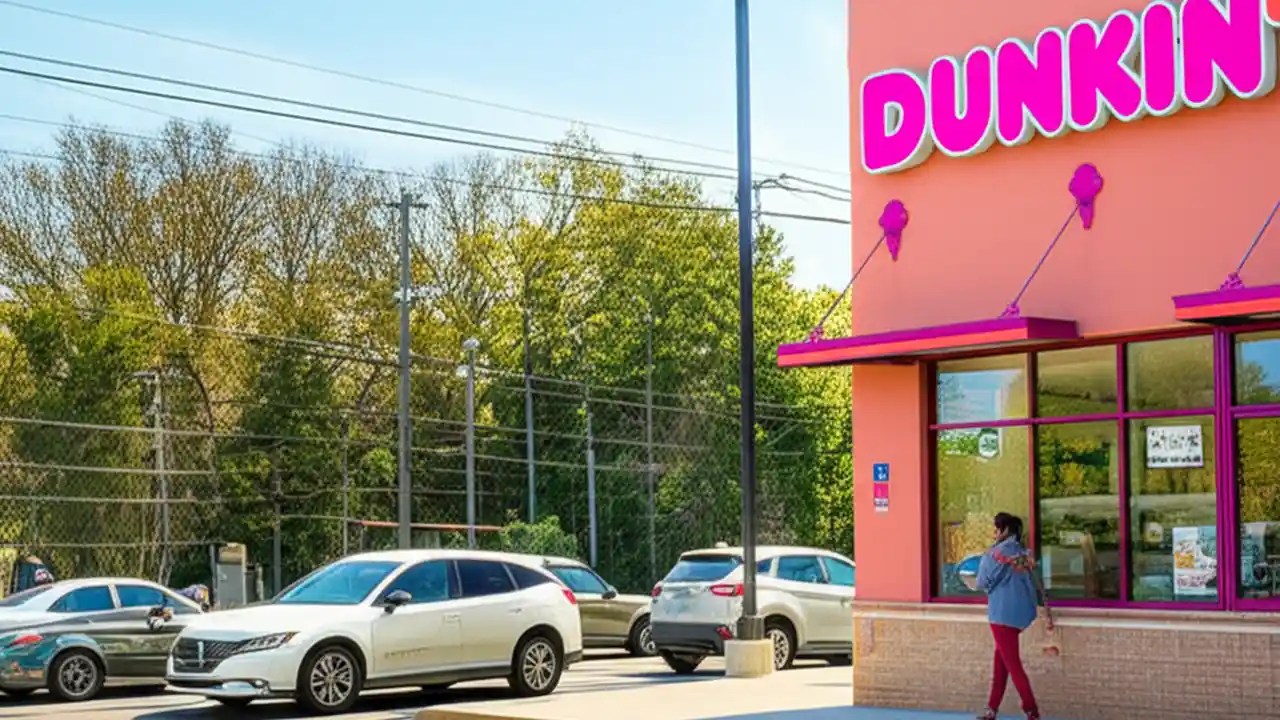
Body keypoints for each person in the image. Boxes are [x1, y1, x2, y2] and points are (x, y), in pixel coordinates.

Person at [975, 512, 1052, 720]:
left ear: (1005, 530)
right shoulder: (1023, 553)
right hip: (1021, 615)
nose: (994, 532)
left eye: (996, 527)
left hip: (1001, 615)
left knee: (1012, 665)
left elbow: (980, 583)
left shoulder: (994, 554)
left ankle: (1031, 710)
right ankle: (991, 710)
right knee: (1001, 663)